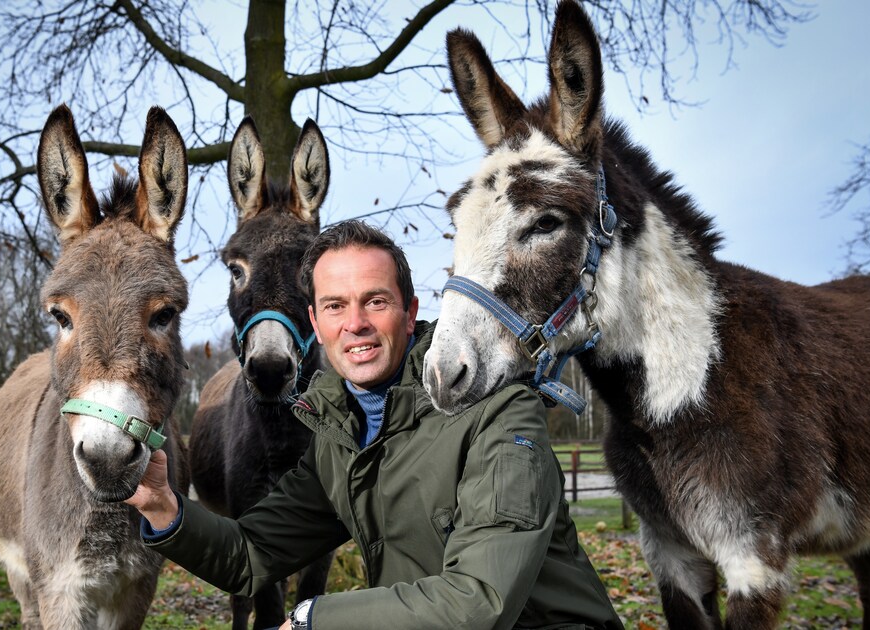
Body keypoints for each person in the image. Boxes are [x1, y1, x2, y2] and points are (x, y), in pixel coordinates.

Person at [125, 220, 623, 629]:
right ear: (316, 325)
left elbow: (478, 601)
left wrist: (312, 617)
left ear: (409, 314)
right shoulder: (340, 435)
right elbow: (252, 552)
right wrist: (168, 512)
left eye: (375, 302)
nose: (356, 323)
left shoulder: (497, 410)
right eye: (335, 306)